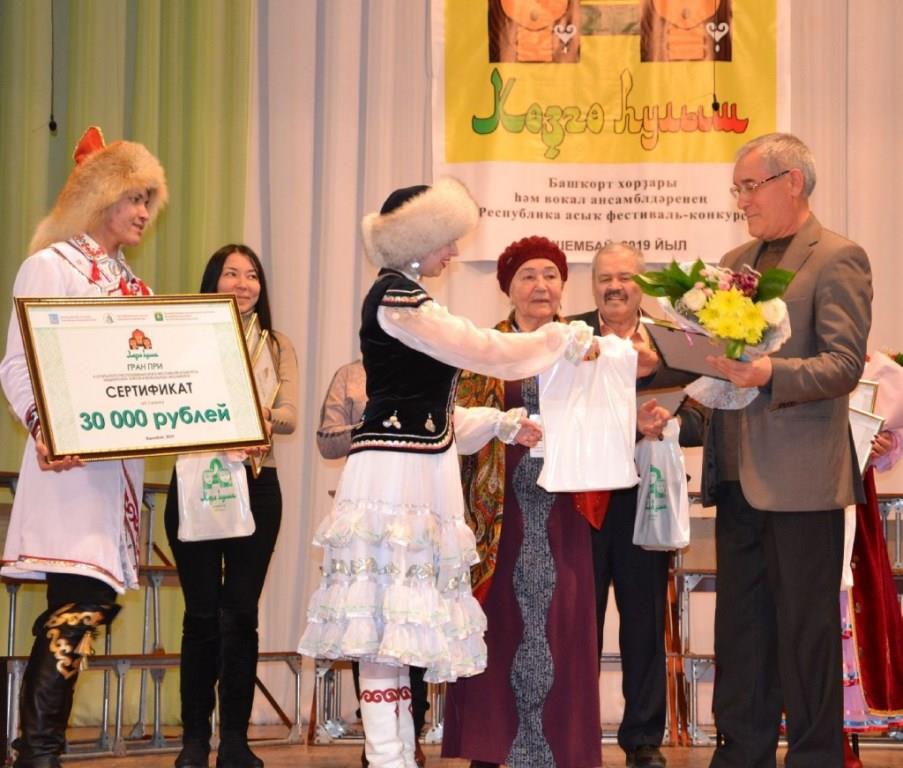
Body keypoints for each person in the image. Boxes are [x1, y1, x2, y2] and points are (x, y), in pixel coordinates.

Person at [298, 180, 603, 768]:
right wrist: (557, 337)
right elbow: (483, 350)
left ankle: (395, 755)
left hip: (417, 465)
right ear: (419, 239)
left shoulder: (410, 300)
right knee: (383, 621)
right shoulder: (398, 299)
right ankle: (387, 757)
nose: (454, 253)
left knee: (398, 623)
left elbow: (430, 410)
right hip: (394, 476)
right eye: (448, 241)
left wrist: (502, 424)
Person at [439, 236, 661, 768]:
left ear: (564, 286)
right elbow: (455, 423)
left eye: (551, 276)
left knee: (564, 625)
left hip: (568, 511)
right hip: (499, 512)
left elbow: (609, 408)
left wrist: (635, 420)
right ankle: (492, 749)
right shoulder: (484, 349)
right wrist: (502, 424)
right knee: (499, 624)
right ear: (508, 288)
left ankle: (562, 749)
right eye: (528, 276)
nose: (541, 286)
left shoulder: (583, 344)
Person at [701, 132, 873, 768]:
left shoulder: (838, 257)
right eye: (738, 189)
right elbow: (720, 357)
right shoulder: (733, 260)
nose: (742, 200)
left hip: (802, 481)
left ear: (792, 182)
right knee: (741, 629)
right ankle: (740, 754)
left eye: (751, 186)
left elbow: (843, 364)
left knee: (805, 633)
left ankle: (815, 756)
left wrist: (770, 373)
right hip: (736, 471)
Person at [0, 126, 167, 768]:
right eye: (134, 198)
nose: (145, 213)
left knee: (85, 605)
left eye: (149, 200)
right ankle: (39, 752)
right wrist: (44, 428)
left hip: (113, 474)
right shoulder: (52, 266)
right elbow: (18, 363)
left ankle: (35, 749)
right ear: (100, 197)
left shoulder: (135, 287)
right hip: (68, 468)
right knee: (79, 603)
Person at [162, 244, 297, 768]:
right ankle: (194, 739)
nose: (244, 284)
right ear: (211, 282)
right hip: (197, 479)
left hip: (258, 483)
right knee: (200, 615)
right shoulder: (183, 339)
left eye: (252, 275)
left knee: (240, 615)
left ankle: (235, 741)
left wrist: (260, 416)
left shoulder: (276, 344)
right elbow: (164, 401)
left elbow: (289, 414)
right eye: (231, 274)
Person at [570, 242, 704, 768]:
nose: (614, 286)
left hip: (647, 501)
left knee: (645, 623)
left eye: (625, 277)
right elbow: (559, 414)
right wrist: (627, 423)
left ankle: (643, 739)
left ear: (642, 284)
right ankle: (574, 733)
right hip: (583, 501)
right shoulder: (571, 336)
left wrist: (668, 422)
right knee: (577, 623)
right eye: (605, 277)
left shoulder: (673, 343)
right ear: (593, 285)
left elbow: (702, 419)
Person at [316, 359, 429, 768]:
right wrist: (371, 425)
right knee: (364, 623)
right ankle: (376, 737)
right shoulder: (350, 375)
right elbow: (327, 442)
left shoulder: (428, 367)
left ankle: (410, 731)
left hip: (415, 509)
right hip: (365, 512)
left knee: (412, 619)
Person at [841, 419, 903, 768]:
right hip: (800, 481)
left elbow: (892, 432)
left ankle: (838, 728)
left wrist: (886, 442)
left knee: (852, 604)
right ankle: (820, 731)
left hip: (854, 490)